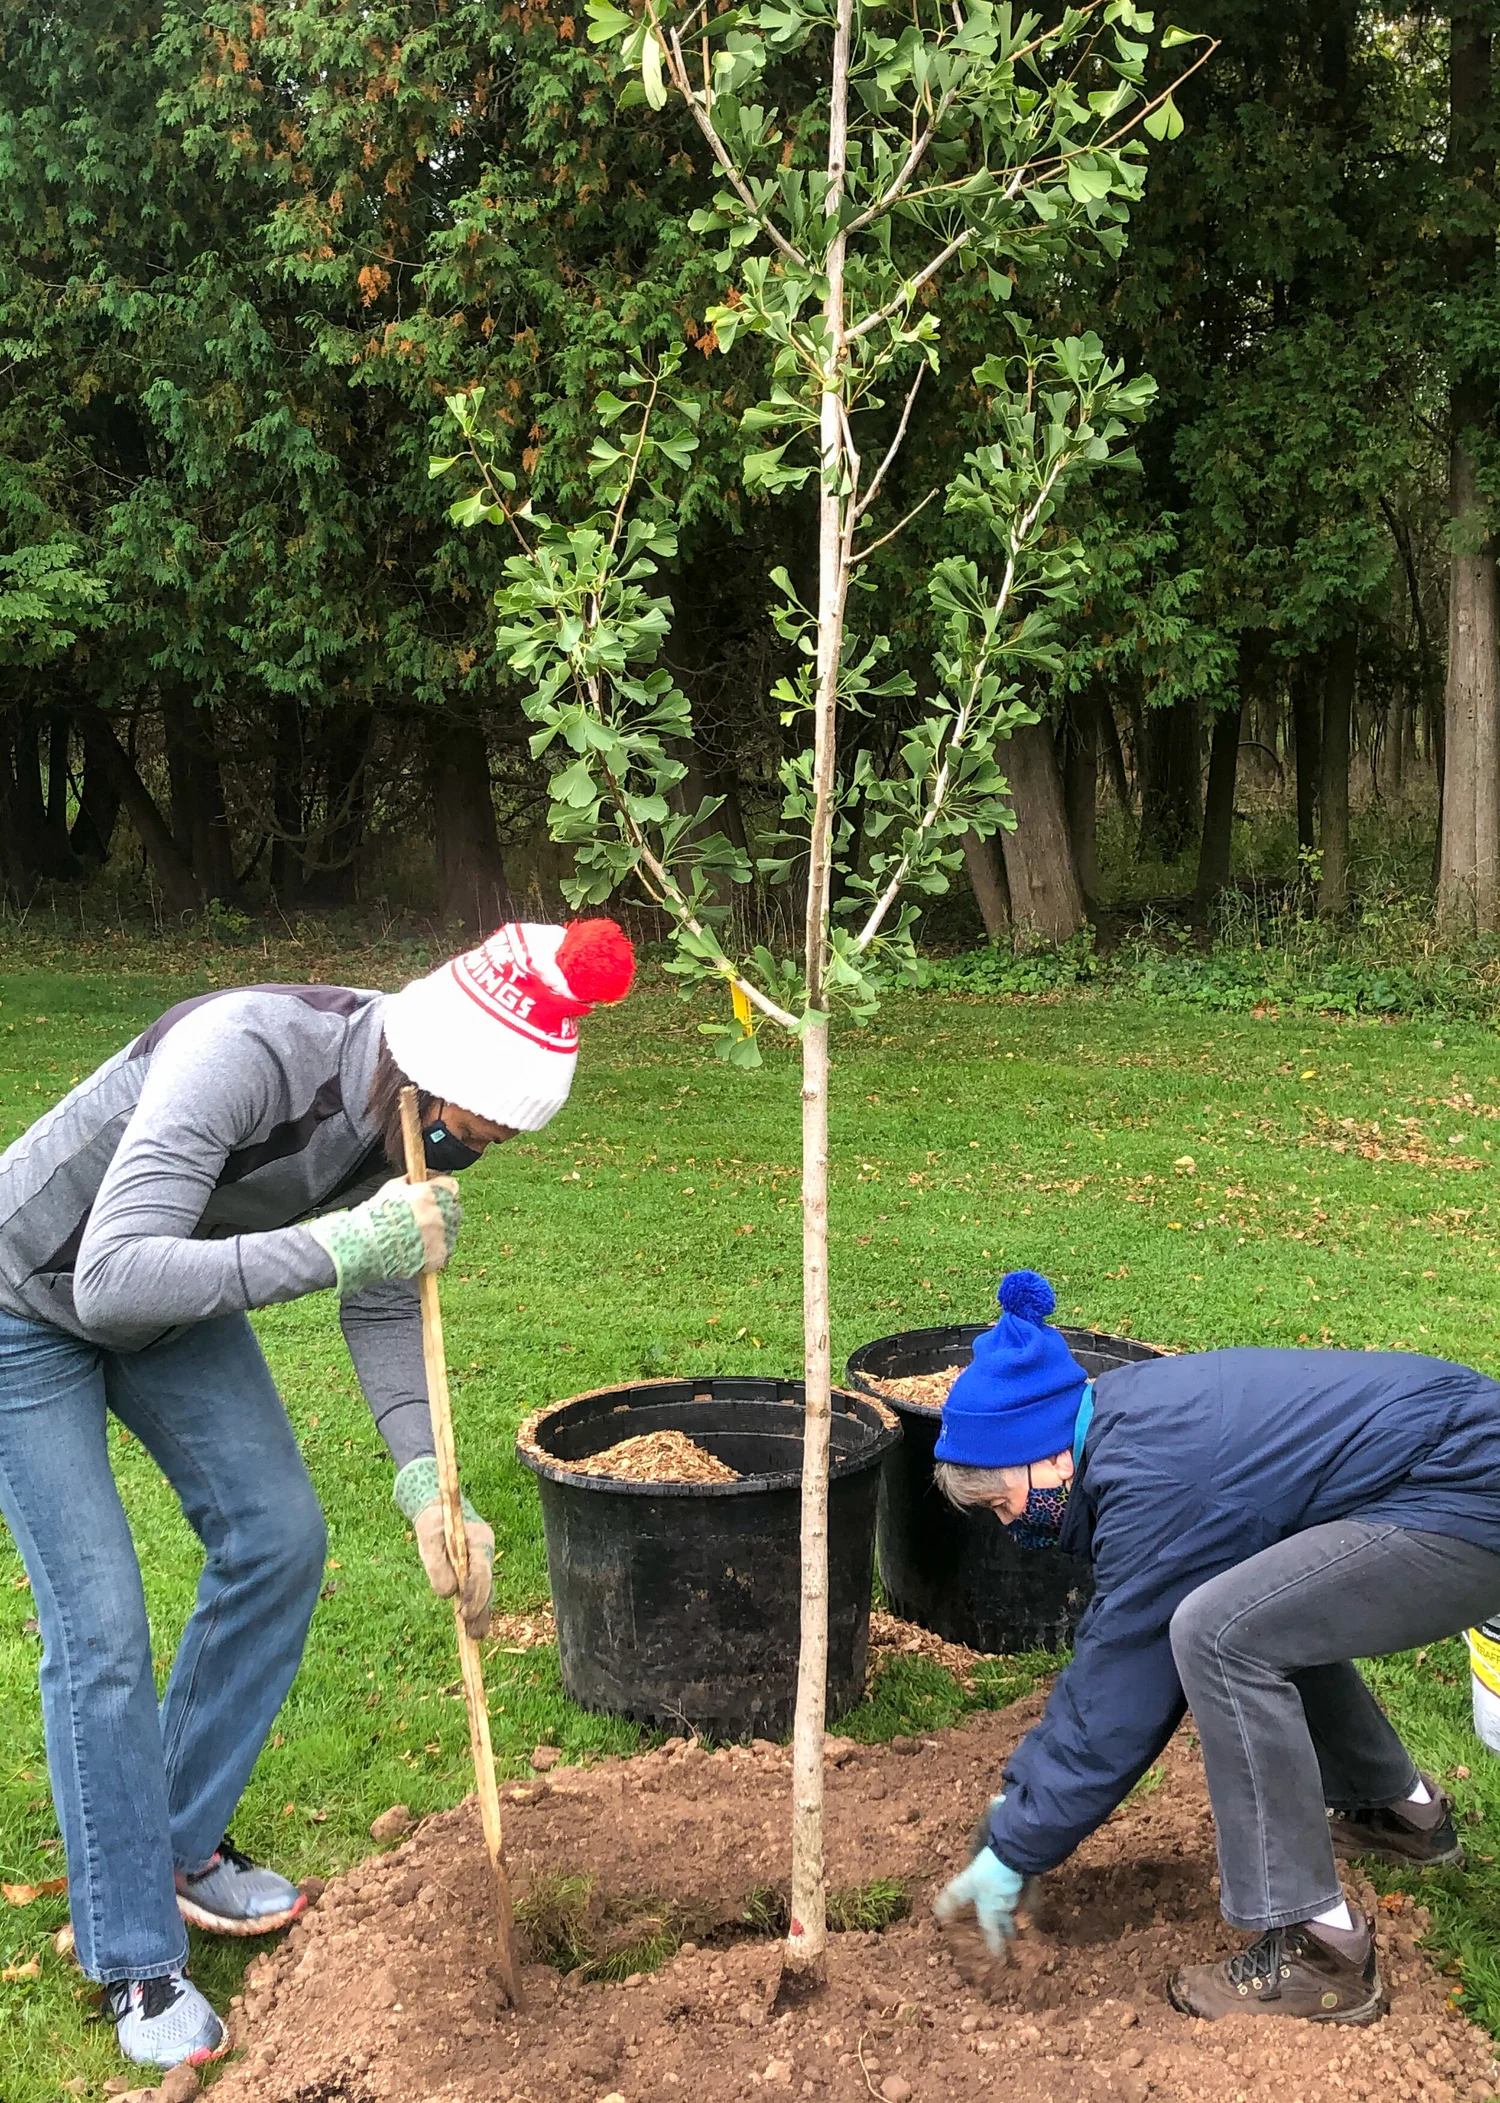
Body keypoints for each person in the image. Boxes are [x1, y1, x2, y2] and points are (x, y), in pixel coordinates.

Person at [0, 917, 634, 2069]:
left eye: (501, 1124)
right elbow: (110, 1274)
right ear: (441, 1056)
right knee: (98, 1624)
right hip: (29, 1299)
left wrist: (426, 1480)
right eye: (486, 1110)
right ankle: (134, 1961)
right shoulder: (242, 1055)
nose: (484, 1138)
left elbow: (387, 1288)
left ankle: (179, 1844)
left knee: (279, 1537)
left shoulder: (433, 1109)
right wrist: (345, 1241)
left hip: (171, 1298)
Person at [931, 1268, 1500, 2026]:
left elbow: (1122, 1683)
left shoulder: (1157, 1480)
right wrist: (1027, 1802)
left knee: (1218, 1633)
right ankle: (1397, 1811)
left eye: (1003, 1503)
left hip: (1467, 1495)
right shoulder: (1127, 1421)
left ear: (1048, 1457)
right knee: (1259, 1601)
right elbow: (1115, 1639)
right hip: (1458, 1459)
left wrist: (1015, 1841)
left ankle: (1319, 1950)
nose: (1009, 1526)